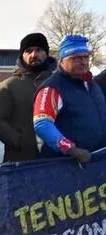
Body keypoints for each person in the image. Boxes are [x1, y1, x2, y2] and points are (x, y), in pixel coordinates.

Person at [33, 34, 106, 164]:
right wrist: (72, 149)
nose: (83, 62)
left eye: (85, 57)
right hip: (66, 165)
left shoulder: (91, 84)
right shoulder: (52, 87)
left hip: (96, 162)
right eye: (76, 58)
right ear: (62, 60)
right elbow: (42, 125)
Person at [0, 33, 57, 163]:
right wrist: (20, 141)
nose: (34, 55)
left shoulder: (58, 84)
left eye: (38, 50)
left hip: (56, 159)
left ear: (46, 53)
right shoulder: (8, 86)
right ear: (22, 54)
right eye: (28, 51)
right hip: (19, 161)